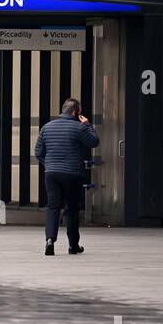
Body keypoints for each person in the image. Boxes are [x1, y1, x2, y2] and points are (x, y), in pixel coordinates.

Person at [34, 97, 100, 256]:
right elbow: (94, 141)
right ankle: (73, 246)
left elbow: (38, 152)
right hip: (72, 174)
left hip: (51, 174)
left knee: (53, 206)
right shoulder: (79, 127)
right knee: (72, 209)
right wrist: (87, 124)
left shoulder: (46, 127)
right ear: (76, 112)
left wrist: (49, 164)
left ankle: (50, 240)